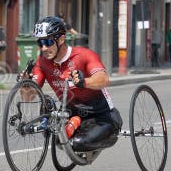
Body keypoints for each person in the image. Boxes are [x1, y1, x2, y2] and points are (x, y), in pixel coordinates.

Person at [25, 16, 122, 153]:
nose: (44, 48)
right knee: (60, 141)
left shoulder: (84, 55)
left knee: (77, 144)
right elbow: (28, 97)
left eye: (48, 42)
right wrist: (25, 84)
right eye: (40, 43)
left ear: (61, 39)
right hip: (71, 115)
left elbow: (104, 79)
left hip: (101, 116)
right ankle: (71, 124)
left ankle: (92, 134)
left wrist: (84, 82)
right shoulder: (42, 63)